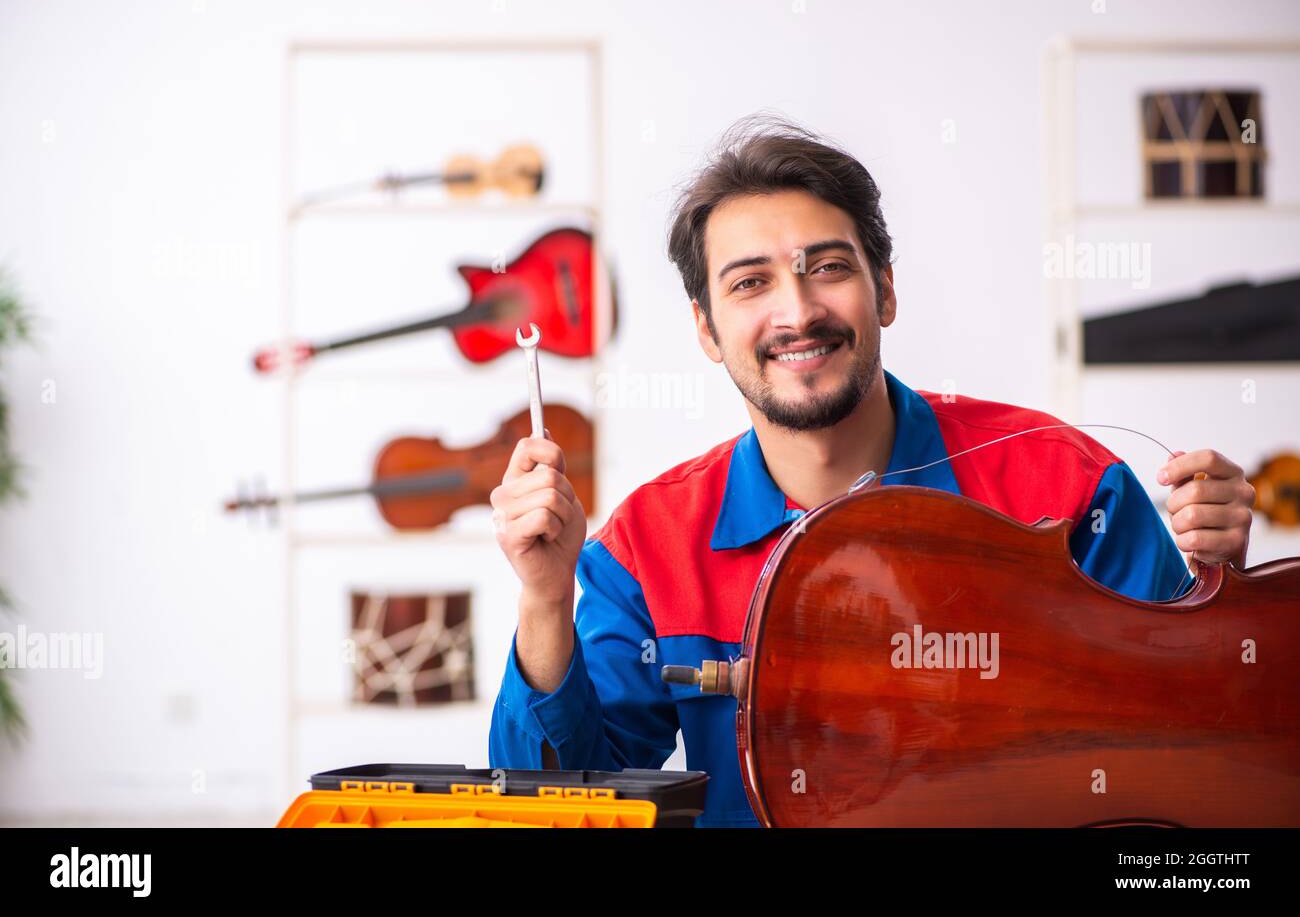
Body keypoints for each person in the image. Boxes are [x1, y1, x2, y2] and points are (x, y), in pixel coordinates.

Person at [486, 117, 1256, 827]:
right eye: (750, 282)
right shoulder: (647, 548)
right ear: (707, 329)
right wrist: (545, 598)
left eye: (827, 267)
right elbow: (562, 801)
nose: (797, 312)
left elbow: (1194, 755)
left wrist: (1220, 597)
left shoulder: (1067, 486)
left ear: (883, 290)